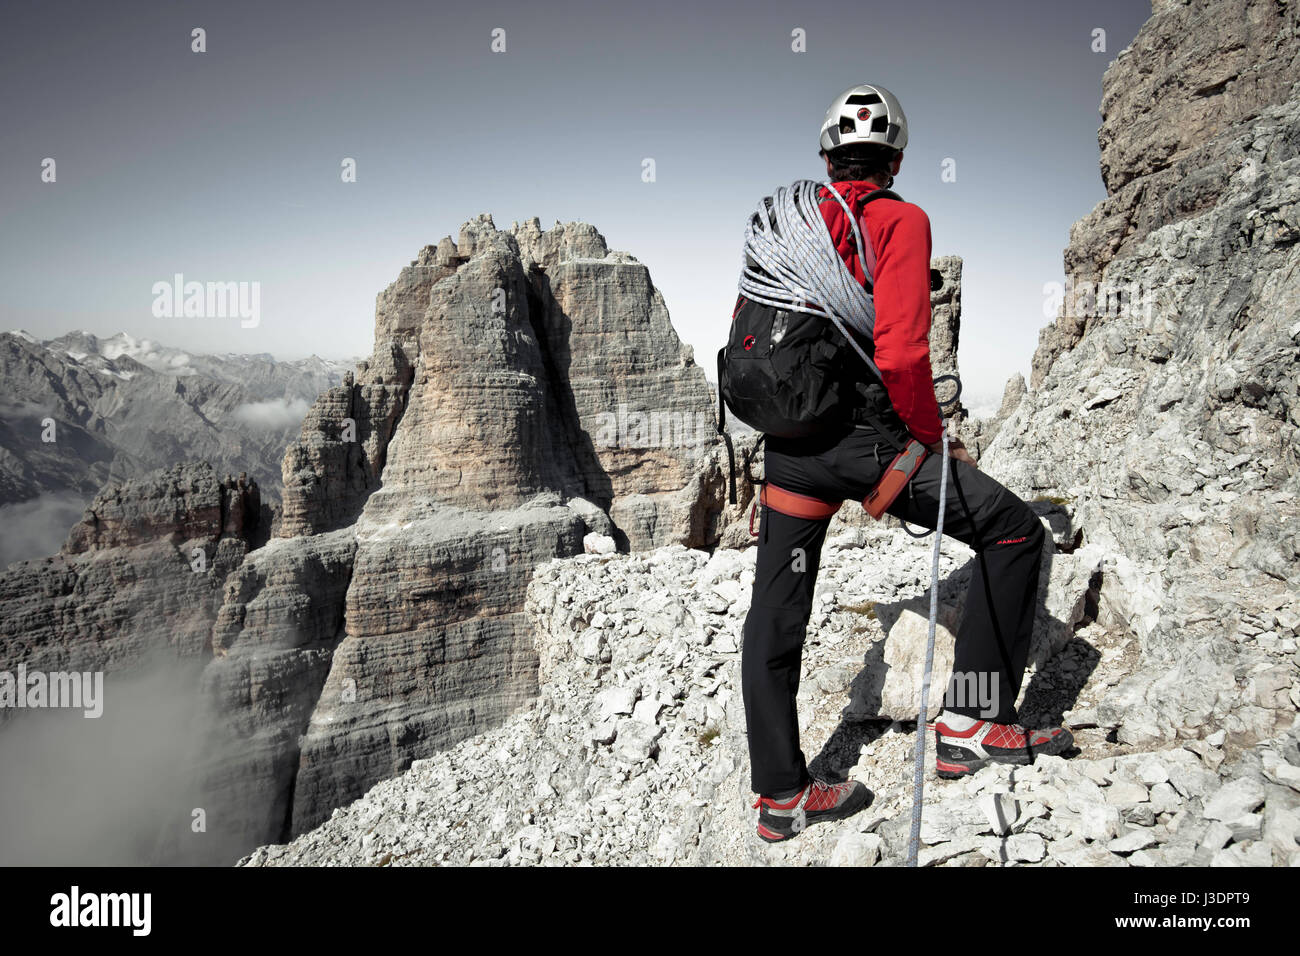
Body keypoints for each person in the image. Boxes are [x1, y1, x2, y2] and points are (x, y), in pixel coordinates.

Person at [741, 84, 1073, 844]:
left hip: (790, 455)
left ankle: (781, 797)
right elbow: (901, 350)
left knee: (775, 615)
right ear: (895, 160)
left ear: (827, 155)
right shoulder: (899, 218)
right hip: (866, 449)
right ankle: (974, 720)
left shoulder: (786, 222)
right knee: (1014, 531)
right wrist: (928, 437)